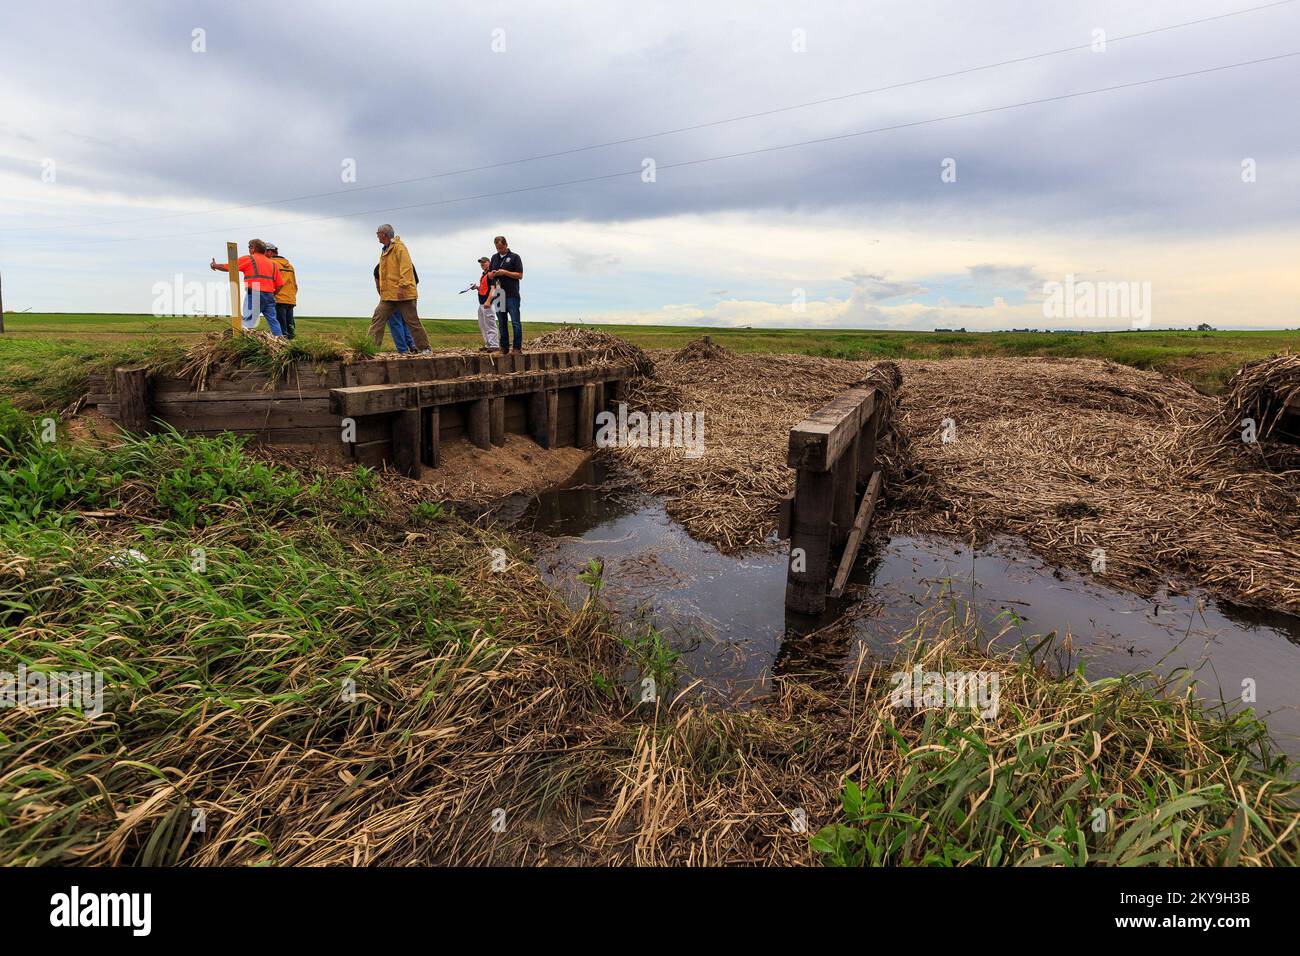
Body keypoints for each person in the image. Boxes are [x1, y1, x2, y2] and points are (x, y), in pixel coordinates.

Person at [368, 224, 431, 353]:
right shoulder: (385, 249)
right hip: (389, 295)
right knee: (378, 318)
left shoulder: (399, 248)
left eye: (377, 233)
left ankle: (425, 348)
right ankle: (370, 349)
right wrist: (382, 292)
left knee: (412, 321)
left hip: (403, 293)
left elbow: (406, 268)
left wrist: (402, 287)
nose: (376, 235)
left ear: (384, 234)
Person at [209, 239, 284, 336]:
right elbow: (280, 285)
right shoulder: (273, 264)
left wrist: (214, 265)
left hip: (254, 293)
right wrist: (273, 294)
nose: (249, 249)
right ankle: (281, 342)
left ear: (254, 248)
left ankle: (245, 343)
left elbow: (228, 267)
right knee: (273, 321)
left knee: (248, 321)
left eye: (249, 247)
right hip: (269, 295)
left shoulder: (249, 259)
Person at [374, 261, 420, 353]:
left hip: (391, 297)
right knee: (407, 322)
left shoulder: (381, 265)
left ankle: (403, 350)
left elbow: (378, 286)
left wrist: (385, 298)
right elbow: (415, 282)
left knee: (395, 323)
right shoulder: (408, 264)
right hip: (408, 297)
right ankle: (412, 345)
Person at [488, 235, 523, 354]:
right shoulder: (494, 257)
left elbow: (519, 275)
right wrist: (492, 274)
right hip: (499, 295)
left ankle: (517, 348)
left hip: (512, 294)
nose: (499, 250)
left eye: (501, 247)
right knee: (502, 323)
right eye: (497, 248)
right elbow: (489, 275)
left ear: (506, 245)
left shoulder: (515, 257)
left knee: (515, 322)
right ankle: (504, 347)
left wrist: (505, 272)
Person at [265, 243, 297, 339]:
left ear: (270, 252)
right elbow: (295, 285)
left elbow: (271, 281)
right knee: (290, 327)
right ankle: (293, 348)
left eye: (264, 252)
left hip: (278, 299)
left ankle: (283, 350)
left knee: (280, 329)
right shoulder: (290, 266)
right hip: (290, 300)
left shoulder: (271, 264)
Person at [468, 256, 499, 352]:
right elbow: (484, 288)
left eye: (484, 262)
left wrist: (488, 301)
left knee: (490, 324)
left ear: (489, 262)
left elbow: (494, 289)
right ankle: (488, 344)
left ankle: (494, 345)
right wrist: (476, 287)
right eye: (481, 263)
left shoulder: (491, 274)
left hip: (488, 303)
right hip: (481, 303)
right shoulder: (483, 274)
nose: (482, 264)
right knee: (483, 325)